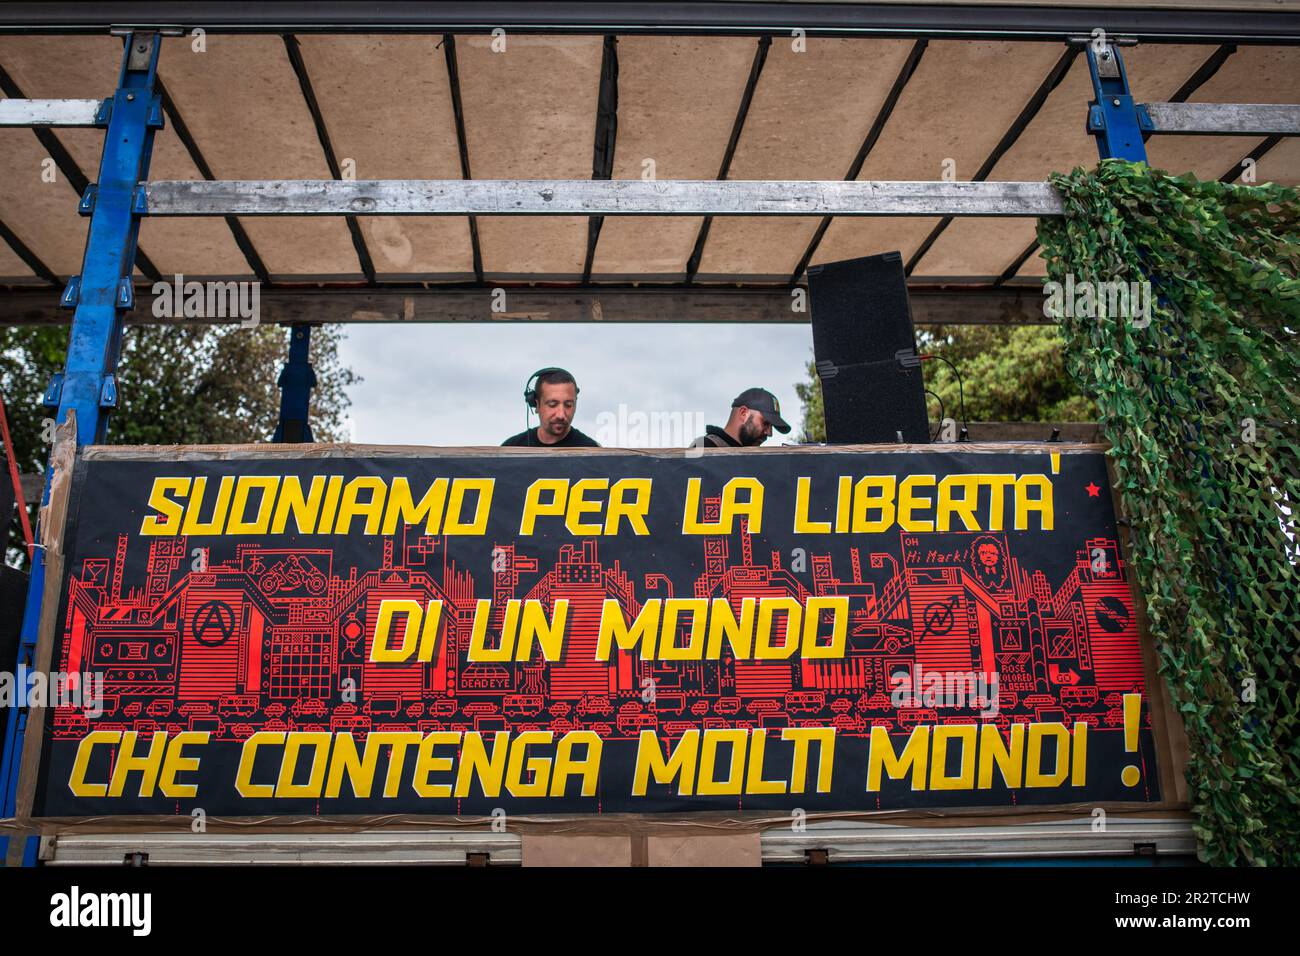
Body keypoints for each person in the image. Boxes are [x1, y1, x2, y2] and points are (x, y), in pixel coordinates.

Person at [502, 367, 600, 447]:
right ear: (536, 405)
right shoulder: (511, 448)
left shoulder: (592, 451)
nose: (561, 415)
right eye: (552, 405)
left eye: (568, 405)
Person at [690, 387, 791, 448]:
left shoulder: (756, 461)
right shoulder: (704, 448)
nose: (770, 433)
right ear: (743, 414)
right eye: (765, 423)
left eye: (771, 426)